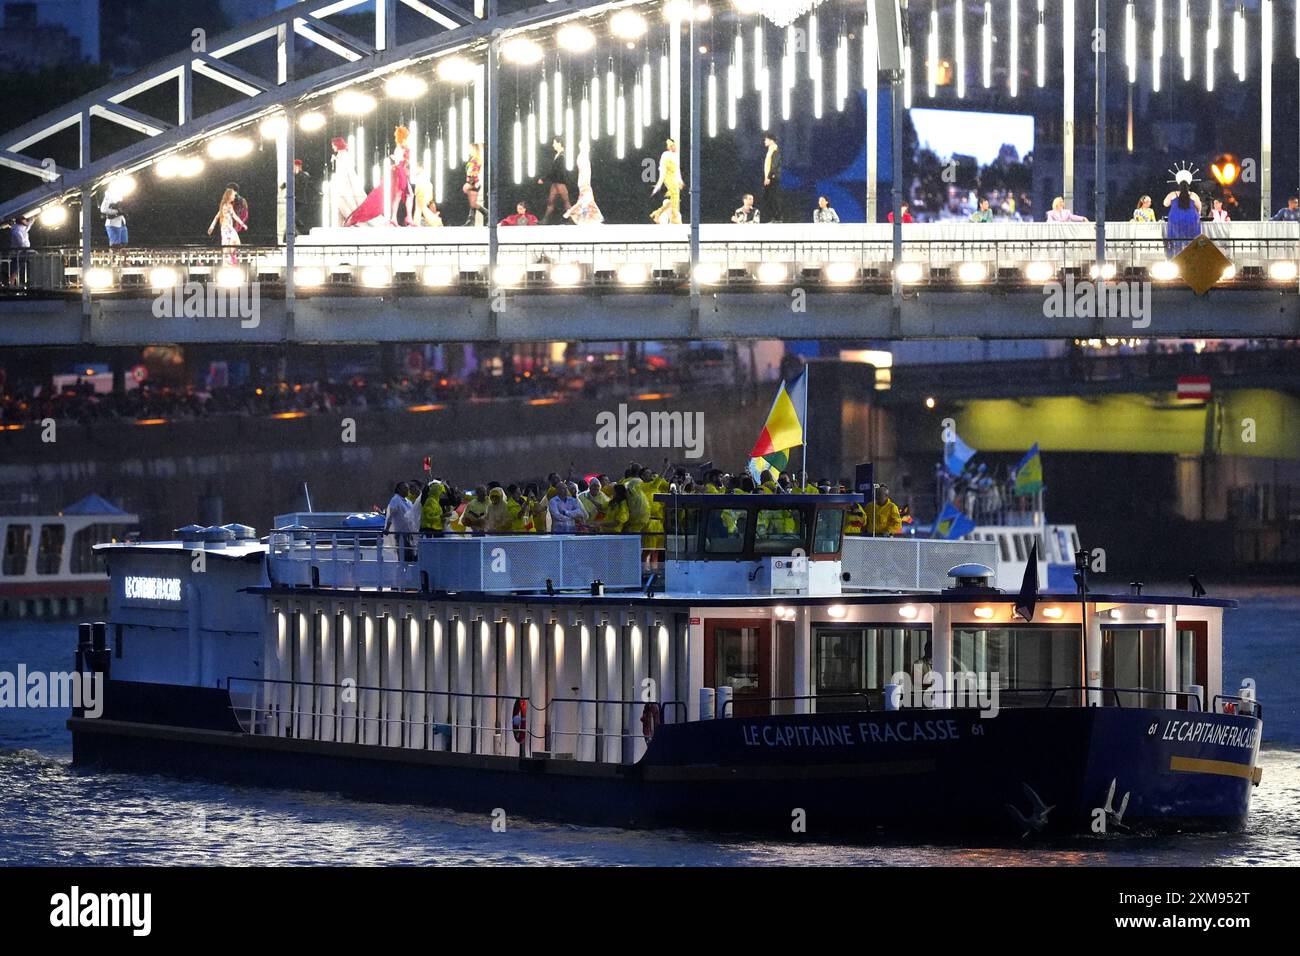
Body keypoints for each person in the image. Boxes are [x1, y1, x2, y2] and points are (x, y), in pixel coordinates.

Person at [346, 125, 411, 226]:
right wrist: (397, 163)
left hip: (400, 172)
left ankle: (397, 218)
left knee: (399, 196)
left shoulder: (403, 147)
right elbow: (399, 162)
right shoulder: (400, 148)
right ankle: (401, 218)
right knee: (402, 195)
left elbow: (401, 161)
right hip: (399, 173)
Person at [564, 143, 604, 225]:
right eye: (587, 147)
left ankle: (586, 219)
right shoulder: (583, 157)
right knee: (587, 200)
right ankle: (571, 212)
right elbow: (584, 171)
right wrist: (585, 183)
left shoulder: (582, 156)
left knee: (587, 201)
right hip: (584, 181)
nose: (589, 148)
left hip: (584, 181)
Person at [330, 137, 367, 226]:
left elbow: (346, 172)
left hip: (344, 184)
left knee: (346, 202)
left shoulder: (344, 155)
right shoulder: (340, 155)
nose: (332, 147)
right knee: (342, 203)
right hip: (341, 184)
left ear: (337, 145)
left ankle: (351, 220)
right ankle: (346, 221)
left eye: (333, 145)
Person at [1162, 177, 1202, 256]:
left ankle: (1176, 256)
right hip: (1191, 220)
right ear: (1188, 186)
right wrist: (1198, 215)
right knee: (1191, 239)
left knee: (1176, 239)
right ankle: (1191, 255)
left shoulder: (1173, 194)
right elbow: (1199, 207)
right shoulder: (1193, 195)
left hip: (1176, 219)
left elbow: (1165, 204)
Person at [207, 187, 247, 265]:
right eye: (233, 195)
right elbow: (220, 216)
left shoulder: (227, 205)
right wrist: (211, 227)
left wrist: (242, 224)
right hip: (226, 228)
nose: (234, 197)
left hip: (227, 228)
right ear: (229, 196)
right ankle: (230, 258)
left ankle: (231, 256)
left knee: (232, 243)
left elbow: (231, 216)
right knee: (229, 244)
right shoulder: (226, 206)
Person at [650, 138, 683, 225]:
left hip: (673, 180)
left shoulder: (674, 156)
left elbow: (677, 170)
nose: (675, 147)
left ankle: (659, 213)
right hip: (669, 180)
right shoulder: (666, 155)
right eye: (672, 146)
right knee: (674, 198)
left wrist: (679, 180)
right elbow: (663, 171)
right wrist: (658, 185)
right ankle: (660, 214)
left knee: (675, 199)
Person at [539, 138, 569, 224]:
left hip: (559, 182)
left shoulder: (562, 155)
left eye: (554, 143)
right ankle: (544, 220)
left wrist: (544, 179)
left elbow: (556, 171)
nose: (553, 145)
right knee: (550, 202)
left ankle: (572, 220)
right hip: (556, 182)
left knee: (566, 202)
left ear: (559, 143)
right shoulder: (558, 155)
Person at [761, 133, 784, 223]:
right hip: (770, 177)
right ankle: (775, 217)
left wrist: (769, 177)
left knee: (773, 197)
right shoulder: (770, 150)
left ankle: (778, 217)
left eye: (766, 140)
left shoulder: (775, 150)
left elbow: (774, 165)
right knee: (768, 197)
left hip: (773, 177)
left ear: (771, 140)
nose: (764, 141)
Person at [463, 141, 484, 226]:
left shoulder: (476, 160)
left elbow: (474, 173)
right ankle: (470, 220)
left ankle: (487, 214)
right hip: (473, 182)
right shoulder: (473, 159)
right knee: (472, 203)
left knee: (473, 203)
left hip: (474, 183)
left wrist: (469, 183)